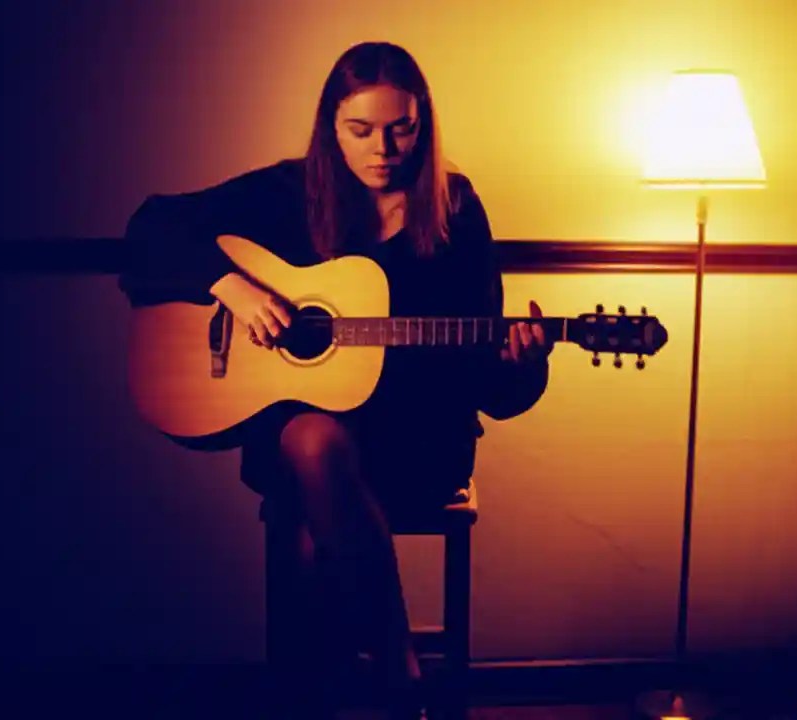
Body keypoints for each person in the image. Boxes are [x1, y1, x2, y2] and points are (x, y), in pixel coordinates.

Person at [118, 41, 552, 719]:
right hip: (306, 439)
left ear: (425, 123)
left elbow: (490, 390)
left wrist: (524, 369)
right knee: (314, 443)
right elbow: (151, 227)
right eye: (361, 130)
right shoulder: (287, 195)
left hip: (418, 445)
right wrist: (229, 286)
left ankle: (352, 680)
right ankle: (397, 670)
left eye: (401, 128)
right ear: (331, 126)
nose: (383, 148)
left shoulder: (457, 210)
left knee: (309, 511)